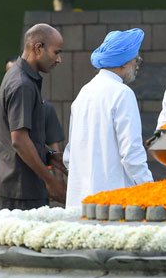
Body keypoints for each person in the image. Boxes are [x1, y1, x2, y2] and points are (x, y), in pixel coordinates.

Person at [64, 28, 153, 206]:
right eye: (136, 60)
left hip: (80, 202)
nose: (137, 65)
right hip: (113, 204)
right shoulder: (122, 93)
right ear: (123, 63)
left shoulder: (84, 93)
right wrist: (150, 189)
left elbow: (68, 156)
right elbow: (131, 154)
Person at [0, 24, 67, 210]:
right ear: (38, 48)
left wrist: (50, 155)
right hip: (20, 189)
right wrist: (51, 181)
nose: (59, 60)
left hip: (20, 186)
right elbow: (18, 140)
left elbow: (25, 137)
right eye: (56, 52)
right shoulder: (22, 83)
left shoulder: (20, 77)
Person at [0, 56, 65, 209]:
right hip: (12, 186)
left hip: (37, 184)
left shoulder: (45, 108)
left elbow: (52, 145)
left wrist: (55, 182)